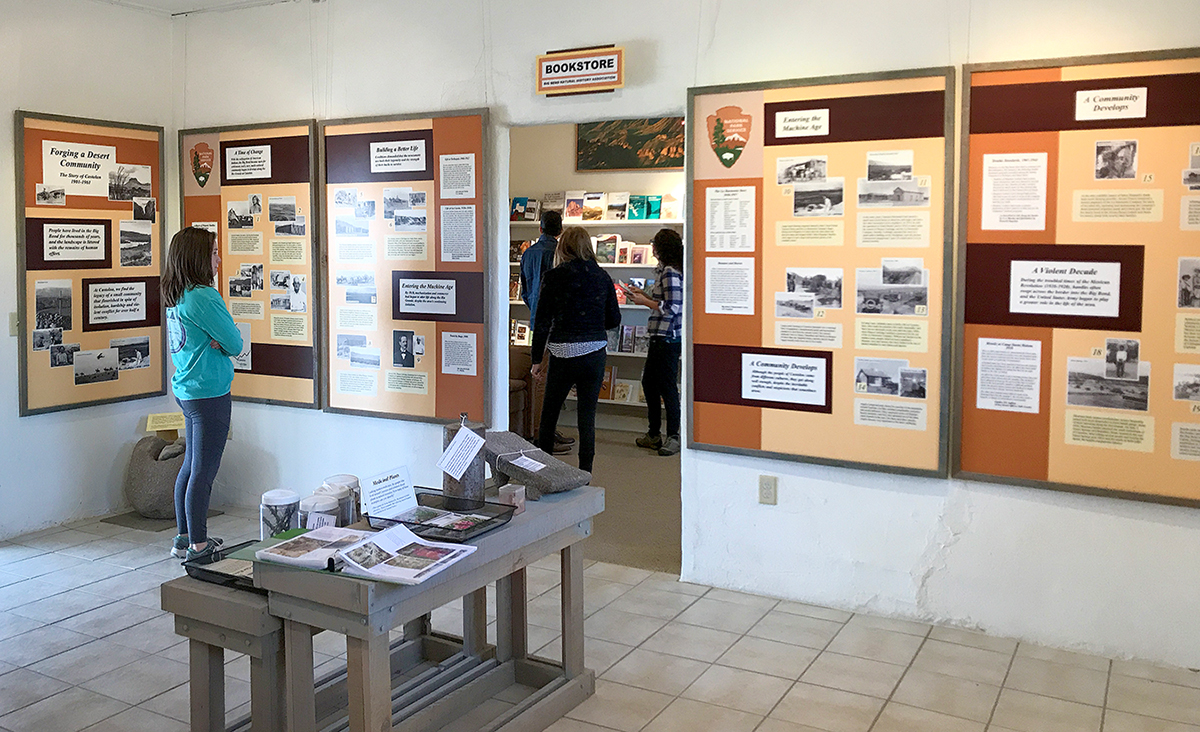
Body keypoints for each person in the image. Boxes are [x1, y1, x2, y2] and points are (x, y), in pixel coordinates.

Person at [163, 227, 243, 562]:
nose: (219, 259)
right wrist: (223, 341)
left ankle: (184, 536)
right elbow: (236, 344)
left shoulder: (177, 294)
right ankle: (198, 545)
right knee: (203, 472)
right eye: (213, 252)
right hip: (210, 393)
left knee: (190, 466)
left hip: (187, 391)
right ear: (198, 257)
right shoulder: (204, 297)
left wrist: (218, 341)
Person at [531, 227, 621, 473]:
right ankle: (585, 473)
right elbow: (614, 319)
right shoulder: (602, 277)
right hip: (593, 352)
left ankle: (544, 471)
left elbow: (541, 322)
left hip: (562, 353)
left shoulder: (553, 277)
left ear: (563, 247)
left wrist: (537, 359)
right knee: (587, 417)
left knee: (549, 415)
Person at [623, 229, 685, 456]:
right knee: (650, 383)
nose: (652, 249)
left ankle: (672, 435)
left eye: (654, 245)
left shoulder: (669, 272)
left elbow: (673, 308)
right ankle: (655, 433)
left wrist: (645, 302)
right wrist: (644, 295)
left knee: (665, 386)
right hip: (662, 336)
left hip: (667, 336)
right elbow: (665, 301)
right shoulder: (669, 270)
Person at [520, 210, 573, 453]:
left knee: (542, 378)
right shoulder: (561, 254)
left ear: (539, 229)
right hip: (559, 324)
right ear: (560, 230)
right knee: (550, 380)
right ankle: (543, 435)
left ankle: (545, 430)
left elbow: (525, 290)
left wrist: (536, 312)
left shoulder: (528, 253)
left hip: (537, 322)